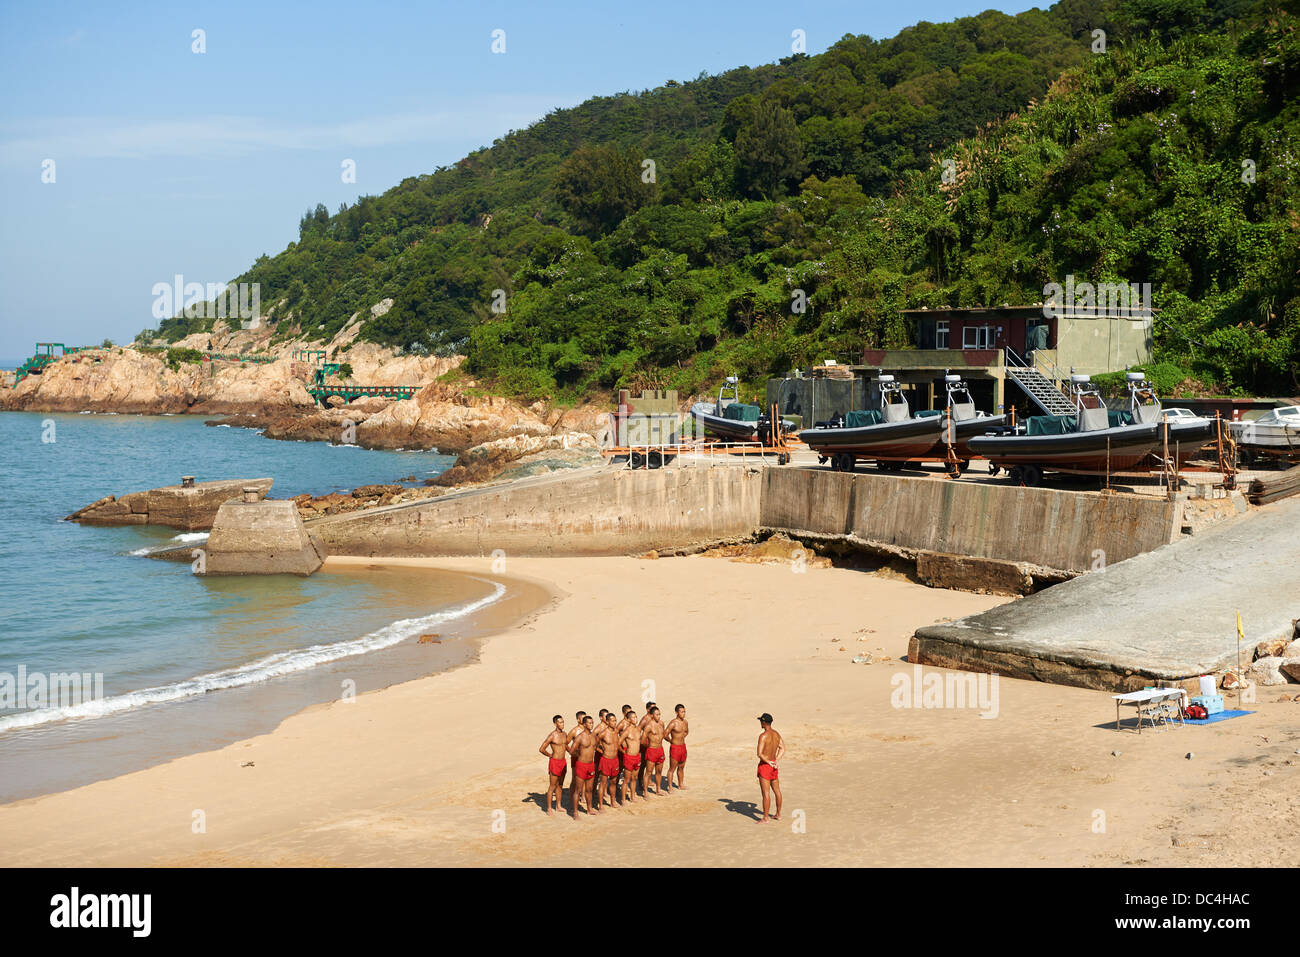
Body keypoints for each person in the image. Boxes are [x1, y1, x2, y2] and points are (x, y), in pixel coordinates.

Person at [756, 713, 785, 823]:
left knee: (766, 793)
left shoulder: (763, 736)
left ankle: (765, 818)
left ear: (763, 722)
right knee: (777, 790)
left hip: (765, 766)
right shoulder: (776, 734)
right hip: (774, 765)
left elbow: (759, 754)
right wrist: (776, 760)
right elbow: (782, 748)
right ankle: (778, 814)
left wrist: (768, 762)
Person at [568, 714, 598, 818]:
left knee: (589, 789)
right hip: (581, 765)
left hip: (591, 765)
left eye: (592, 722)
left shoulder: (594, 736)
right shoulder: (580, 737)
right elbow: (571, 751)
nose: (591, 724)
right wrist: (580, 755)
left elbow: (596, 747)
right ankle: (575, 812)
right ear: (584, 724)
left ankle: (589, 809)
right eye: (589, 723)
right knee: (578, 789)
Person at [537, 714, 568, 815]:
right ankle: (549, 808)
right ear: (555, 723)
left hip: (563, 761)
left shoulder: (564, 734)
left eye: (563, 722)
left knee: (560, 785)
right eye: (560, 722)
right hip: (555, 762)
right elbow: (542, 749)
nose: (562, 724)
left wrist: (574, 753)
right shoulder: (552, 735)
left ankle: (558, 806)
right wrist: (550, 755)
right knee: (552, 786)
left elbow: (566, 747)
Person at [596, 711, 622, 809]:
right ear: (607, 721)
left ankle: (612, 801)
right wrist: (601, 751)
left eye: (615, 721)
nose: (614, 723)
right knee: (603, 782)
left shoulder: (616, 732)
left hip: (615, 760)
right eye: (612, 721)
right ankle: (601, 804)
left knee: (613, 782)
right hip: (606, 759)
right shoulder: (603, 733)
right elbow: (595, 744)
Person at [642, 707, 667, 795]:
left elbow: (664, 735)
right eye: (657, 714)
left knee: (659, 771)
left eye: (659, 714)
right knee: (648, 772)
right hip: (652, 750)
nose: (659, 716)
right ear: (652, 715)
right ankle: (645, 792)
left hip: (660, 749)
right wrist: (649, 747)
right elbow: (643, 740)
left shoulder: (661, 723)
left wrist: (670, 740)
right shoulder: (648, 726)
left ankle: (658, 790)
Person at [664, 704, 689, 791]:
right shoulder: (673, 723)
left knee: (681, 767)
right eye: (681, 712)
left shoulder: (685, 722)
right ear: (676, 712)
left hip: (683, 747)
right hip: (675, 748)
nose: (683, 713)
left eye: (684, 711)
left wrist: (681, 738)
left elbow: (686, 731)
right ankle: (670, 787)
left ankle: (680, 784)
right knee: (672, 768)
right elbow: (665, 734)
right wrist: (671, 740)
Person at [618, 717, 642, 805]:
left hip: (637, 757)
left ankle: (632, 797)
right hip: (629, 757)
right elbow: (618, 742)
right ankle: (623, 799)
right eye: (633, 717)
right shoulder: (627, 731)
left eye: (636, 717)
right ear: (629, 719)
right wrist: (623, 751)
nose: (636, 719)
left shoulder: (638, 730)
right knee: (626, 779)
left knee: (634, 778)